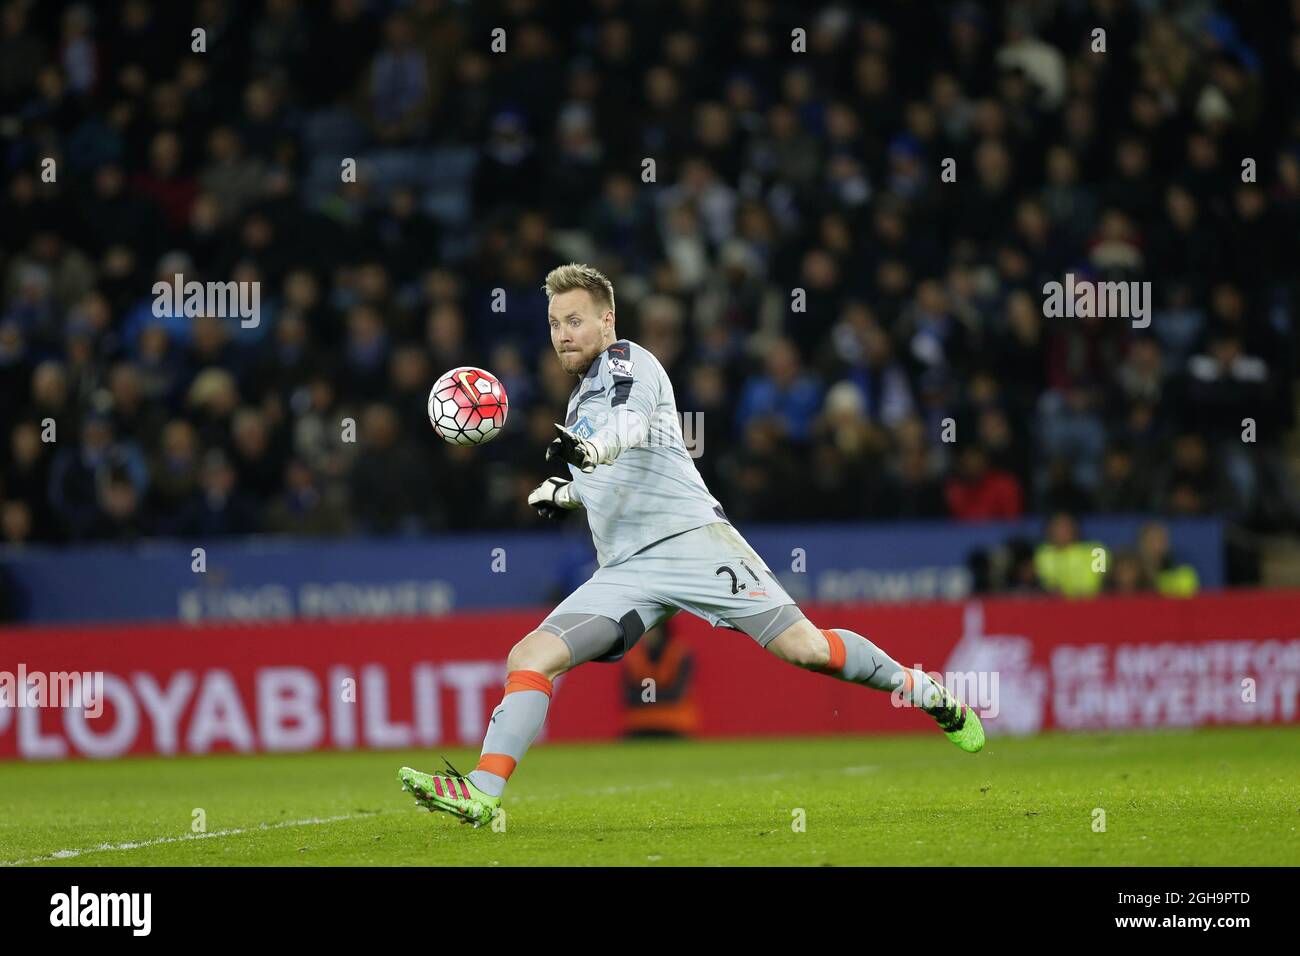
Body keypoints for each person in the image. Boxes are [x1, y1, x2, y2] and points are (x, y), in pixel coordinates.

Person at [398, 263, 984, 827]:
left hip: (693, 544)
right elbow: (609, 474)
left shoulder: (632, 362)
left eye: (575, 320)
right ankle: (482, 791)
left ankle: (919, 688)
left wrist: (588, 455)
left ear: (608, 323)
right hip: (626, 569)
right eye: (554, 323)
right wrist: (565, 493)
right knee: (529, 657)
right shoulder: (578, 402)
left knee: (807, 650)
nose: (563, 334)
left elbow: (625, 430)